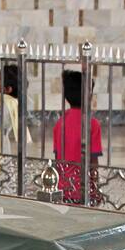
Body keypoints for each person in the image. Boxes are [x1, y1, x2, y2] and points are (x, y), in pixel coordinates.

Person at [51, 69, 102, 204]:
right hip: (83, 189)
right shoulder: (92, 124)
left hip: (63, 188)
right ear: (89, 96)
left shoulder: (59, 123)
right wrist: (95, 190)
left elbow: (57, 159)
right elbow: (93, 162)